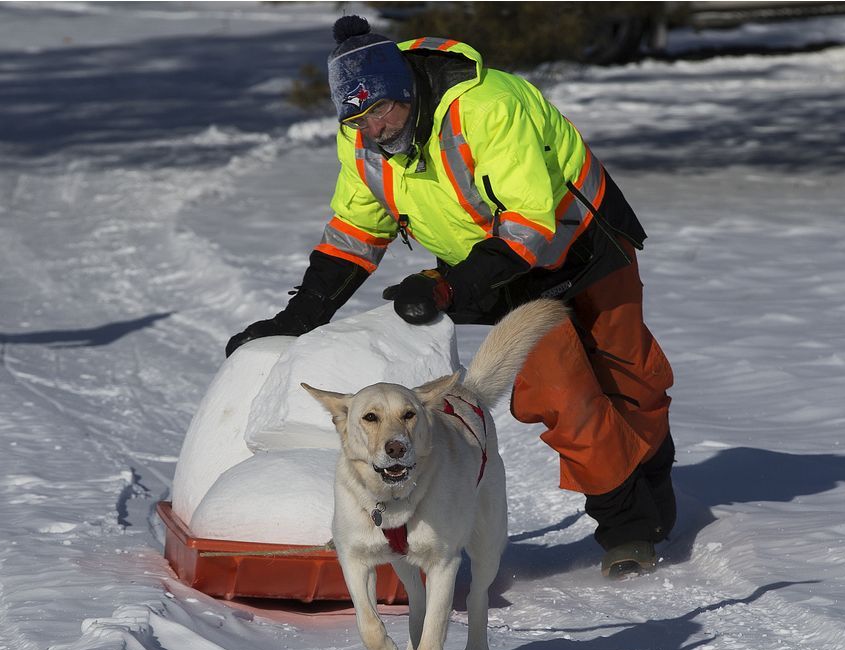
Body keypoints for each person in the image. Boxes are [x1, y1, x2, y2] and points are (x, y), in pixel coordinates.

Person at [226, 15, 676, 580]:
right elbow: (356, 231)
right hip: (500, 274)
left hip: (585, 246)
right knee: (563, 393)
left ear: (406, 89)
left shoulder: (486, 106)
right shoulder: (363, 142)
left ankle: (653, 474)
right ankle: (627, 527)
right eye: (357, 119)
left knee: (631, 377)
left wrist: (445, 287)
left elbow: (530, 222)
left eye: (381, 111)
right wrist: (300, 315)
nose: (373, 129)